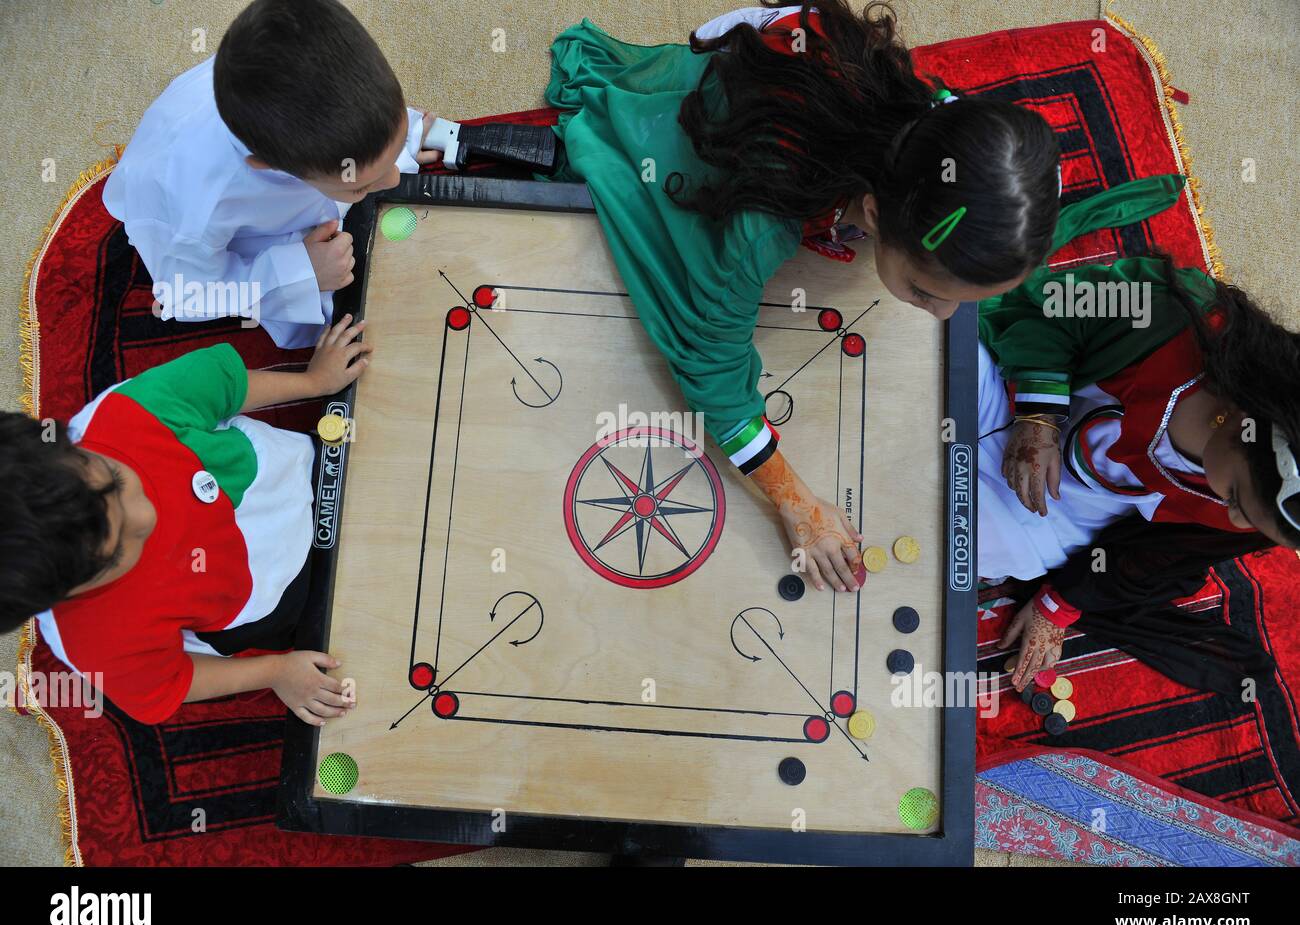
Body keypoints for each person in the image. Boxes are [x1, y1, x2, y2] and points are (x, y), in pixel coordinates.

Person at [543, 1, 1061, 593]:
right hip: (695, 146)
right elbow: (710, 369)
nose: (945, 316)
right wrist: (796, 504)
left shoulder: (939, 127)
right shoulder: (757, 230)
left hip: (758, 73)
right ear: (871, 211)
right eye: (924, 291)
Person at [978, 178, 1300, 693]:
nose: (1234, 520)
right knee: (936, 349)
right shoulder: (1176, 316)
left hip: (1060, 504)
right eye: (1237, 496)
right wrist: (1038, 417)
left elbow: (1156, 555)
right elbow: (1053, 309)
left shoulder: (1263, 513)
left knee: (968, 546)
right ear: (1247, 421)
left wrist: (1057, 605)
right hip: (1014, 388)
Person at [0, 320, 372, 725]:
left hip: (308, 476)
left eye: (116, 480)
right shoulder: (90, 640)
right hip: (272, 605)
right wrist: (276, 672)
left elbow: (220, 385)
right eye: (118, 552)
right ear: (63, 596)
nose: (146, 515)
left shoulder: (125, 412)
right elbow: (170, 683)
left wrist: (314, 382)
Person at [102, 0, 445, 349]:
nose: (395, 179)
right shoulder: (196, 211)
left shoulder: (296, 74)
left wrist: (392, 147)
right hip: (205, 247)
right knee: (353, 311)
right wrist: (301, 272)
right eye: (362, 186)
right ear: (270, 165)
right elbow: (188, 295)